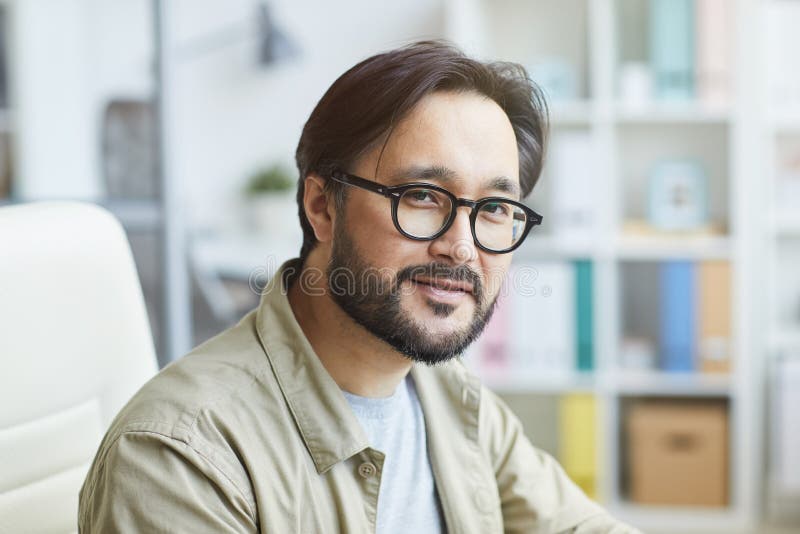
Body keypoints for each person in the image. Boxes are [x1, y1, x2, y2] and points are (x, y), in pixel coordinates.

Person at [79, 40, 640, 533]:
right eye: (421, 196)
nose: (463, 248)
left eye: (494, 208)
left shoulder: (448, 395)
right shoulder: (179, 460)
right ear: (322, 206)